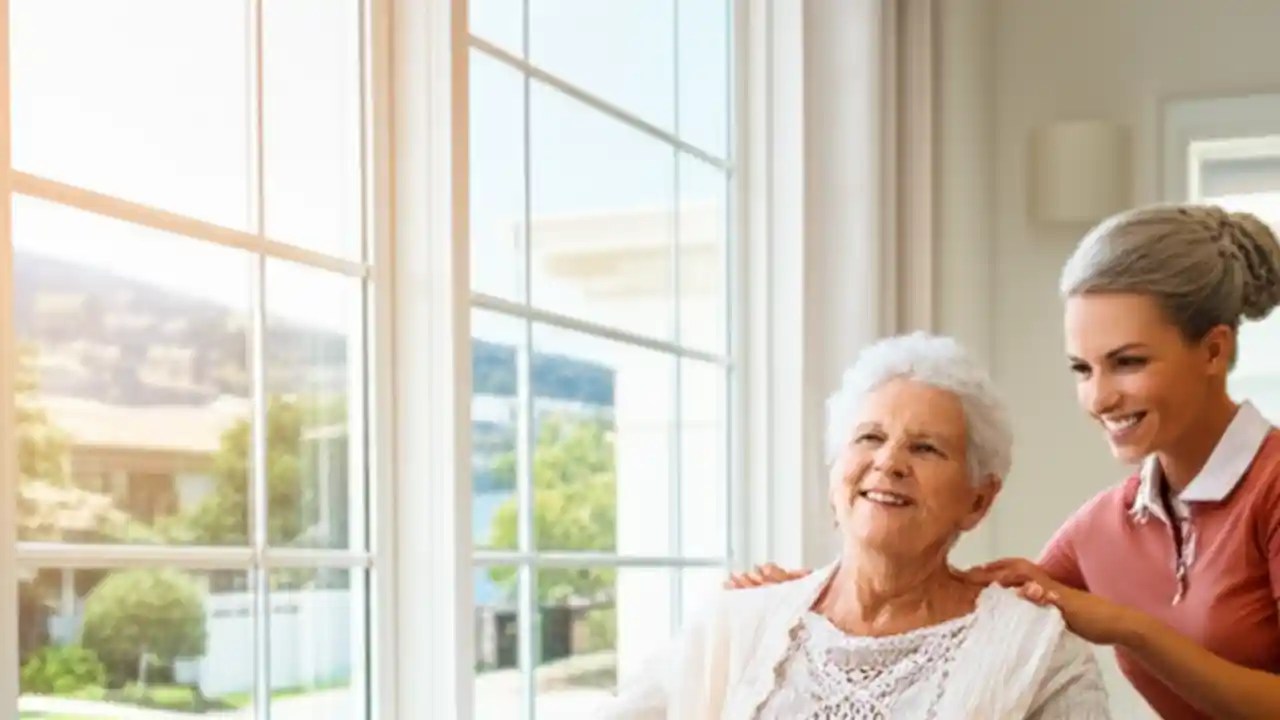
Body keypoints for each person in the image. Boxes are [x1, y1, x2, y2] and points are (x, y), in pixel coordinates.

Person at [729, 204, 1280, 720]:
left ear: (1213, 350)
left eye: (1127, 363)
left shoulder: (1271, 485)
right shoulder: (1103, 527)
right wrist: (816, 606)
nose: (1099, 398)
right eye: (1082, 370)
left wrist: (1130, 629)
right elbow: (960, 600)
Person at [602, 333, 1110, 719]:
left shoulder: (1038, 651)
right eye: (869, 437)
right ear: (834, 473)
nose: (888, 463)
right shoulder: (738, 623)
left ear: (978, 500)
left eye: (925, 448)